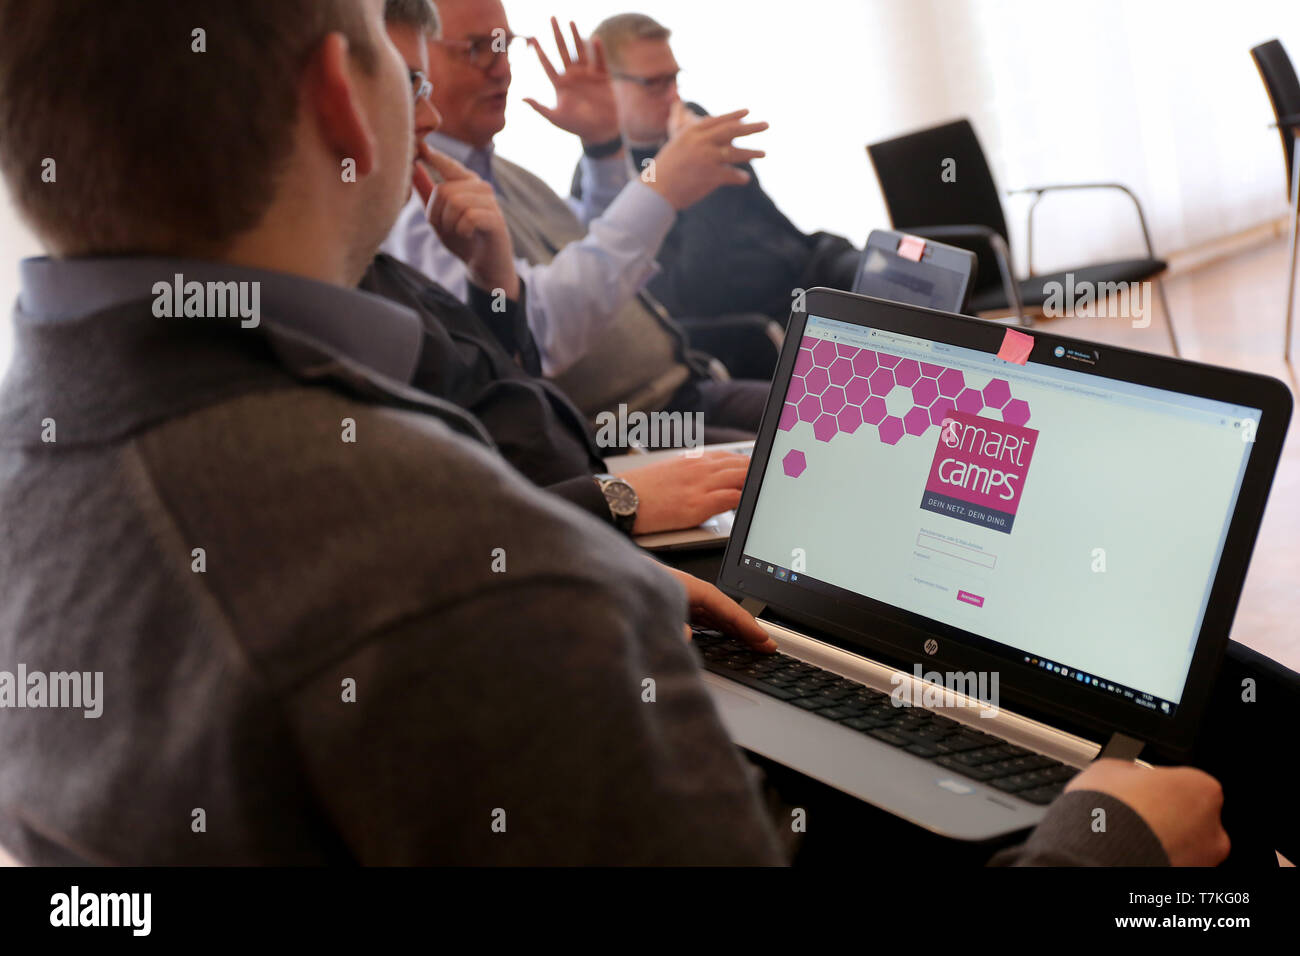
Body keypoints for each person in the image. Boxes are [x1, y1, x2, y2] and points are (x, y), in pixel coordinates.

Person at [0, 0, 1233, 868]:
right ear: (343, 97)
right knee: (1201, 754)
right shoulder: (440, 567)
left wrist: (578, 550)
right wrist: (1104, 847)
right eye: (406, 55)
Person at [363, 0, 753, 536]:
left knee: (809, 433)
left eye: (505, 44)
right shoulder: (413, 200)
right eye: (477, 48)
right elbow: (538, 342)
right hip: (626, 431)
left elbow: (586, 247)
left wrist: (601, 149)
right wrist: (658, 189)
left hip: (676, 393)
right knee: (791, 471)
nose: (501, 66)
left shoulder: (495, 169)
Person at [574, 13, 861, 326]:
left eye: (674, 78)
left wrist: (825, 252)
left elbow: (766, 216)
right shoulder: (603, 187)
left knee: (902, 277)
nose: (674, 97)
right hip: (769, 315)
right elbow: (696, 292)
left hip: (814, 269)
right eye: (654, 84)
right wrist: (692, 167)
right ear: (606, 86)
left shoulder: (694, 120)